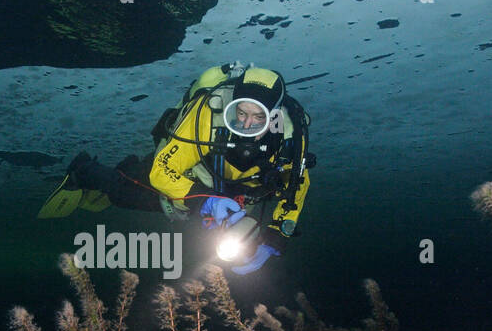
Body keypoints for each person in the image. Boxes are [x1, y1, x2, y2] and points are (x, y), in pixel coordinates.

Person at [38, 63, 313, 274]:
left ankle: (129, 169)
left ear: (274, 116)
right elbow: (163, 170)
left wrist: (279, 231)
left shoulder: (289, 138)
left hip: (235, 199)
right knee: (124, 194)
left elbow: (297, 186)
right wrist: (205, 201)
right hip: (191, 179)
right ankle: (84, 170)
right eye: (241, 113)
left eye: (258, 117)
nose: (246, 124)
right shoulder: (208, 115)